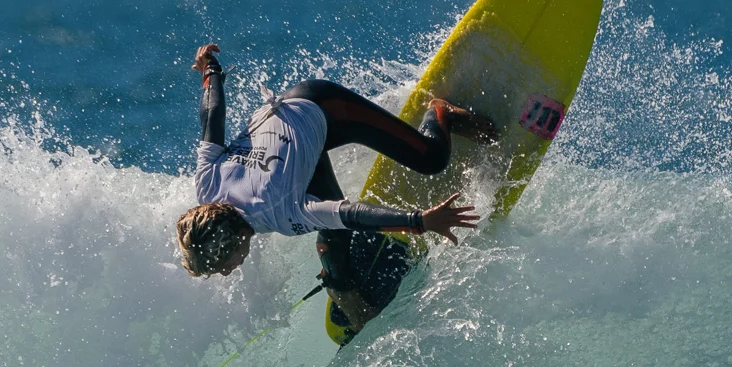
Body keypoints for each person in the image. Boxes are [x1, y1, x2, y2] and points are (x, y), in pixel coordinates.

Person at [175, 44, 495, 322]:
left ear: (230, 243)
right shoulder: (206, 186)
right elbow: (212, 115)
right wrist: (211, 71)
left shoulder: (279, 209)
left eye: (221, 267)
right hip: (287, 137)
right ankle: (342, 286)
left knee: (432, 160)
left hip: (326, 108)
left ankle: (440, 112)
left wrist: (419, 221)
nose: (227, 272)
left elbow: (350, 213)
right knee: (332, 235)